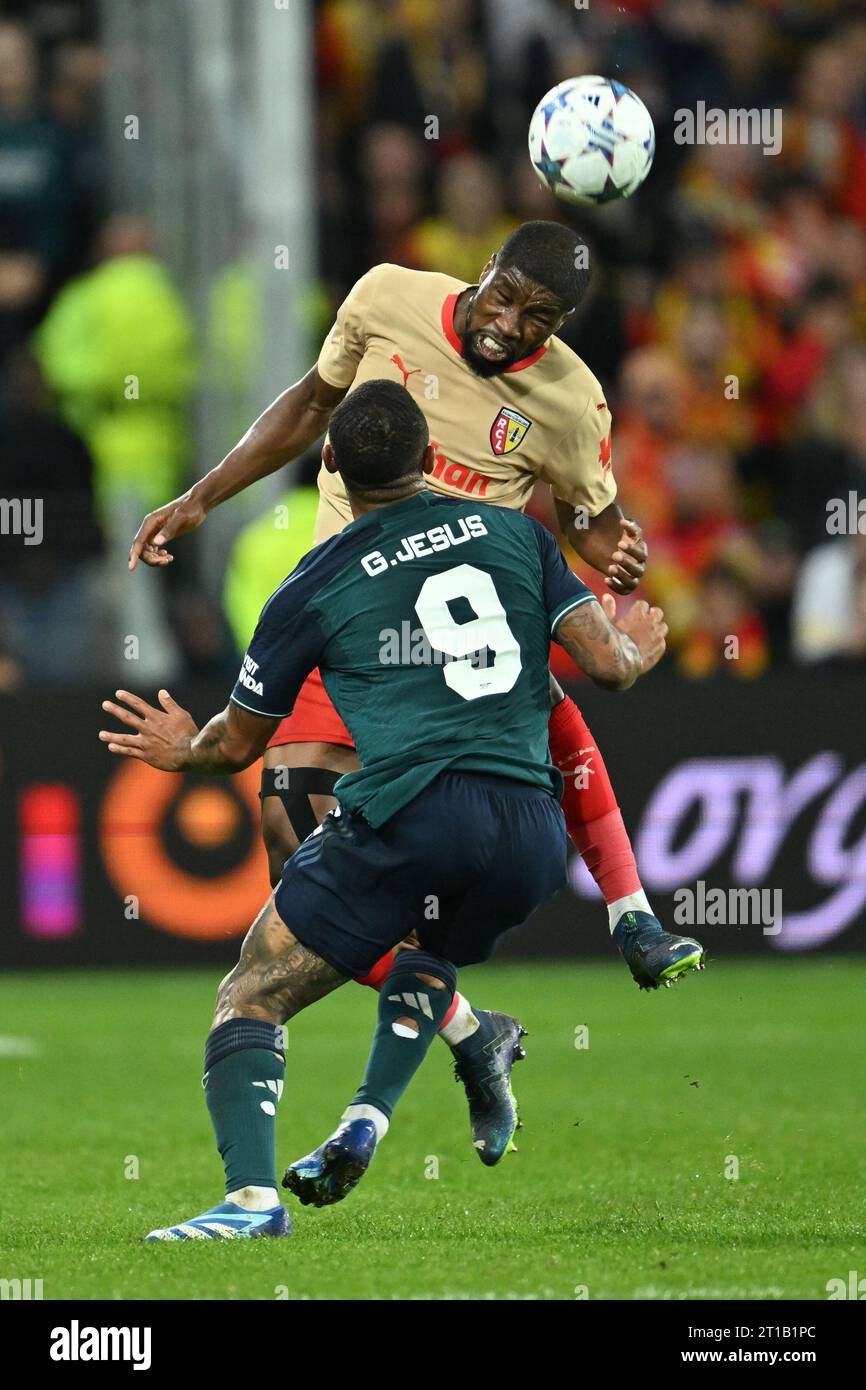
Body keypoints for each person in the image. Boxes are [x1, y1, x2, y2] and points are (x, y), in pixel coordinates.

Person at [128, 220, 705, 1160]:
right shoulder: (387, 297)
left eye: (538, 318)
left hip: (461, 634)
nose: (508, 324)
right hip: (354, 621)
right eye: (504, 296)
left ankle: (629, 914)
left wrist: (614, 551)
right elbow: (309, 404)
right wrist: (203, 495)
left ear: (558, 330)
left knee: (482, 803)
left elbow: (590, 524)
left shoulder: (569, 400)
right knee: (291, 838)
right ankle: (475, 1031)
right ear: (484, 270)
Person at [100, 380, 672, 1240]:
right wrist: (639, 646)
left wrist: (185, 747)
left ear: (330, 462)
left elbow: (235, 744)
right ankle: (416, 1078)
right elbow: (611, 667)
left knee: (251, 992)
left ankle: (253, 1202)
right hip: (529, 837)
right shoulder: (518, 533)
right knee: (424, 952)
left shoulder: (316, 577)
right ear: (431, 460)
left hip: (415, 811)